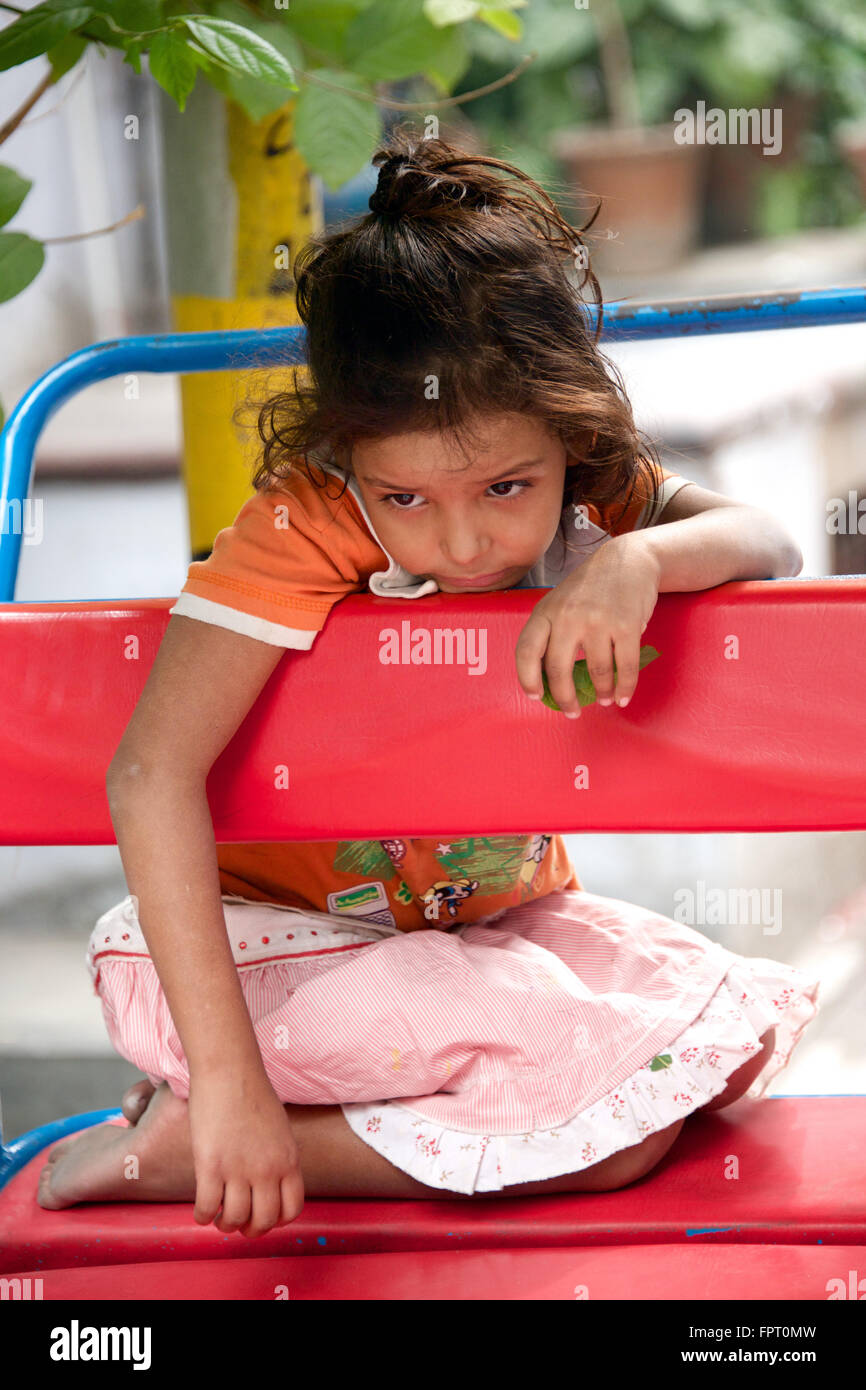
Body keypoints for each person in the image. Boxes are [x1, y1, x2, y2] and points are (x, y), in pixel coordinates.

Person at [38, 129, 819, 1237]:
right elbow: (148, 772)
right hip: (267, 959)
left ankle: (271, 1123)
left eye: (506, 484)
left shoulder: (594, 497)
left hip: (478, 943)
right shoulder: (299, 529)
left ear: (565, 432)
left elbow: (769, 540)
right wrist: (229, 1086)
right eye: (405, 497)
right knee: (614, 1139)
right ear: (347, 456)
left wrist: (636, 560)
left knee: (688, 1061)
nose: (462, 540)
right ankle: (191, 1141)